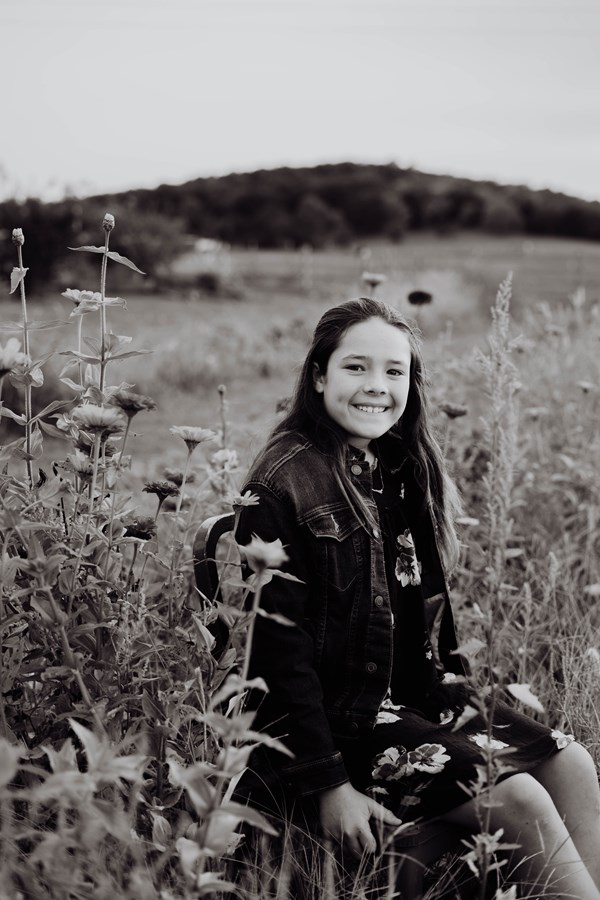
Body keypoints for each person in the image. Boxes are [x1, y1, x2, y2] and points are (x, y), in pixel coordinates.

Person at [234, 297, 600, 897]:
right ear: (319, 375)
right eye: (357, 368)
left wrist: (461, 693)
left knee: (570, 763)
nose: (377, 386)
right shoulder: (282, 483)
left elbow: (424, 608)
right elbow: (275, 653)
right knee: (517, 796)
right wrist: (328, 784)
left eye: (394, 371)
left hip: (410, 698)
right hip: (337, 724)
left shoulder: (401, 464)